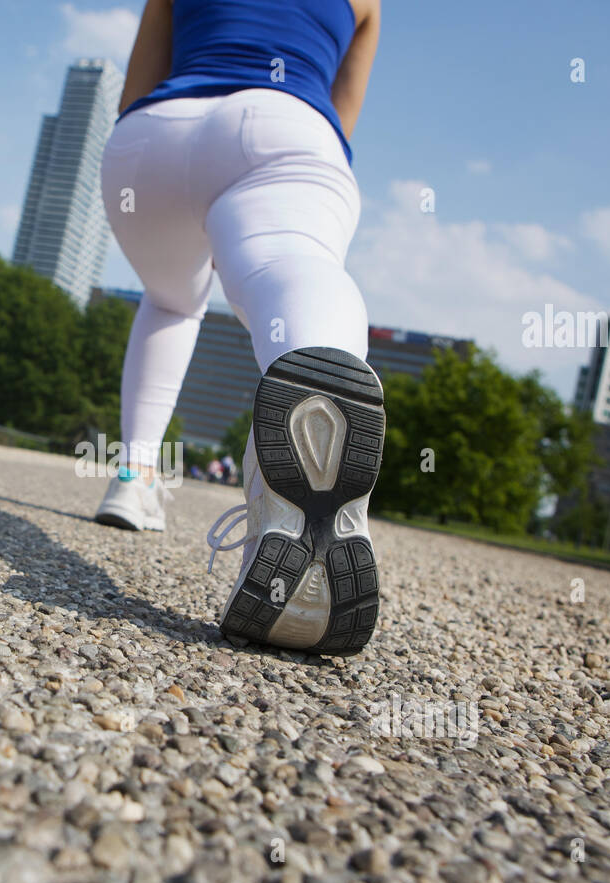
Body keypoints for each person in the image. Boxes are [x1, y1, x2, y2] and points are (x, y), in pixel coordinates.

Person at [92, 0, 384, 657]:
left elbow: (135, 89)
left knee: (171, 301)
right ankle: (287, 502)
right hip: (282, 125)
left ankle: (134, 479)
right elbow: (340, 119)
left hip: (152, 142)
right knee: (291, 264)